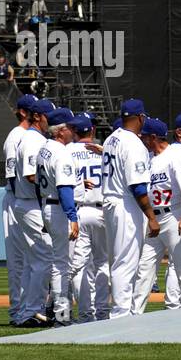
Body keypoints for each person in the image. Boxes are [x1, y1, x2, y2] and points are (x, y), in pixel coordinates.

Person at [132, 118, 181, 312]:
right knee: (144, 269)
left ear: (153, 137)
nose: (142, 139)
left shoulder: (175, 155)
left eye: (144, 136)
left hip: (174, 216)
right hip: (154, 220)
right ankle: (134, 314)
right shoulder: (149, 158)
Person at [102, 99, 160, 317]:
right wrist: (151, 217)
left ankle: (118, 311)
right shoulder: (134, 143)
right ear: (141, 118)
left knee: (118, 261)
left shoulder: (110, 139)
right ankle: (120, 314)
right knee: (125, 262)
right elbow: (137, 186)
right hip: (125, 204)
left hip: (110, 201)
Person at [10, 98, 55, 327]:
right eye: (48, 116)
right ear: (37, 116)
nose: (52, 121)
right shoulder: (31, 139)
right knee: (44, 260)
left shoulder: (36, 138)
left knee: (33, 263)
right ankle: (31, 312)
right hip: (30, 203)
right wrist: (59, 184)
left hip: (30, 203)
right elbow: (31, 175)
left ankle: (26, 313)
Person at [37, 107, 80, 325]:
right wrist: (72, 217)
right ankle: (61, 314)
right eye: (70, 127)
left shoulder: (44, 149)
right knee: (62, 265)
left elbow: (37, 187)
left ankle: (53, 308)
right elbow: (65, 189)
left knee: (60, 263)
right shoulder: (61, 153)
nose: (73, 131)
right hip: (59, 209)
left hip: (47, 205)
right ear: (61, 131)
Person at [65, 113, 109, 322]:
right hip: (102, 211)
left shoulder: (67, 151)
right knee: (103, 263)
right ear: (91, 130)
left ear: (74, 131)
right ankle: (102, 311)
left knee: (77, 265)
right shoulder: (104, 150)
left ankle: (83, 312)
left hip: (79, 210)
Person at [2, 94, 36, 324]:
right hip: (17, 200)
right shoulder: (16, 136)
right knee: (18, 260)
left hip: (25, 200)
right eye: (32, 110)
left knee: (32, 258)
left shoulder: (31, 136)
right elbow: (12, 175)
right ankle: (18, 311)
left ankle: (30, 308)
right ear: (23, 112)